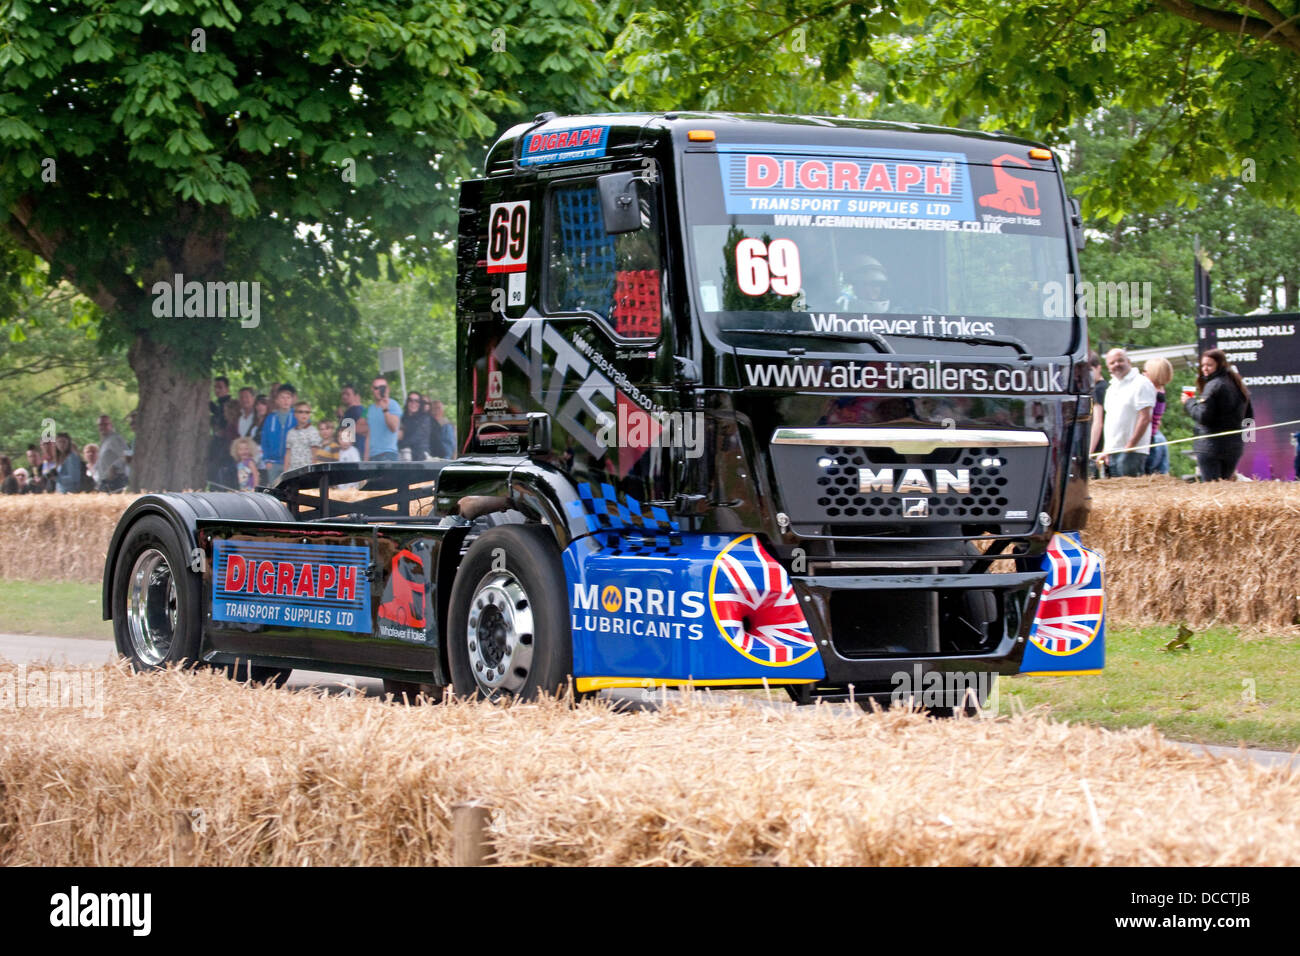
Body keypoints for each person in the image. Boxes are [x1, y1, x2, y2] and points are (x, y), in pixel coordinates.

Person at [1184, 348, 1251, 481]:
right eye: (1202, 365)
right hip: (1234, 446)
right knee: (1223, 488)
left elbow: (1203, 416)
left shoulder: (1213, 386)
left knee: (1213, 490)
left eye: (1209, 365)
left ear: (1220, 365)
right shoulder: (1238, 385)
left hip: (1211, 447)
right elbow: (1249, 417)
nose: (1205, 369)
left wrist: (1189, 402)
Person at [1100, 348, 1155, 477]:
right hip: (1113, 451)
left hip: (1132, 451)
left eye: (1120, 360)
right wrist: (1106, 450)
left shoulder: (1141, 383)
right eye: (1112, 363)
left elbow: (1145, 418)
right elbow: (1111, 421)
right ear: (1108, 367)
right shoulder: (1112, 387)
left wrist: (1129, 447)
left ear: (1129, 361)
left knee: (1130, 492)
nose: (1117, 365)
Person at [1142, 357, 1173, 476]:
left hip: (1151, 439)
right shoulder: (1160, 390)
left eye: (1145, 371)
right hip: (1158, 437)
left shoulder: (1152, 392)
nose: (1143, 373)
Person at [259, 384, 296, 483]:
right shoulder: (270, 418)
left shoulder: (297, 416)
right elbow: (264, 440)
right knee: (274, 490)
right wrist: (267, 460)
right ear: (277, 401)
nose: (285, 400)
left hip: (291, 462)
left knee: (290, 490)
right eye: (282, 398)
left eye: (288, 398)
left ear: (292, 400)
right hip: (273, 463)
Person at [366, 377, 402, 461]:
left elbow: (394, 428)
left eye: (382, 387)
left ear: (388, 389)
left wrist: (385, 410)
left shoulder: (393, 404)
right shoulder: (370, 409)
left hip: (388, 454)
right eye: (376, 388)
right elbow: (369, 435)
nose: (379, 390)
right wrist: (365, 459)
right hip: (372, 455)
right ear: (372, 389)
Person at [284, 400, 322, 472]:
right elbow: (288, 454)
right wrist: (285, 472)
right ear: (295, 414)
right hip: (292, 472)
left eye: (307, 412)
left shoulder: (313, 431)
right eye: (301, 412)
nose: (304, 414)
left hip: (307, 472)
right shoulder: (290, 432)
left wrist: (313, 473)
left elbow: (316, 454)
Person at [95, 415, 129, 492]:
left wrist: (114, 466)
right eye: (100, 425)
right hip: (105, 483)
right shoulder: (105, 441)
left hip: (115, 482)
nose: (102, 427)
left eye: (105, 424)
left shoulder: (115, 439)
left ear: (111, 425)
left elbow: (127, 456)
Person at [1087, 350, 1107, 479]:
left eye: (1090, 370)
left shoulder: (1099, 389)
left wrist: (1089, 452)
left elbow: (1098, 422)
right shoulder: (1105, 387)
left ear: (1098, 367)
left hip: (1099, 444)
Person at [399, 391, 434, 460]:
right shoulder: (402, 418)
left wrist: (398, 444)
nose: (413, 403)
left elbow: (415, 438)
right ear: (407, 402)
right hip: (404, 456)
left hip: (420, 457)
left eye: (416, 401)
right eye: (410, 400)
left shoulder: (425, 418)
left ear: (420, 403)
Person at [339, 383, 369, 460]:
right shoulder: (351, 411)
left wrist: (341, 417)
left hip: (357, 452)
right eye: (343, 394)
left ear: (356, 396)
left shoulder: (356, 410)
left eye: (347, 394)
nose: (344, 396)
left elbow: (346, 432)